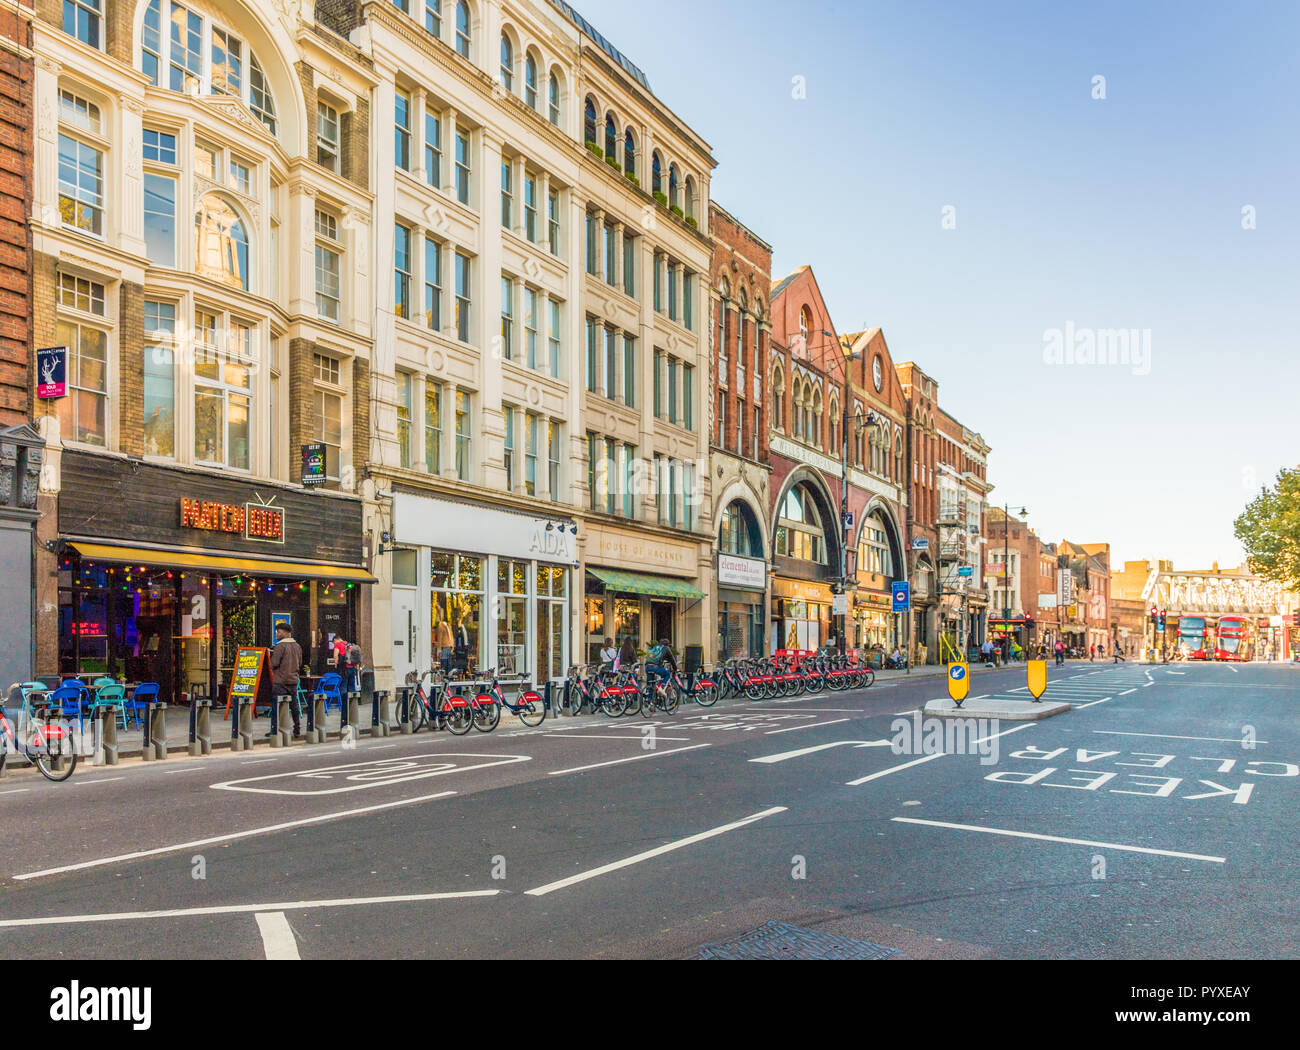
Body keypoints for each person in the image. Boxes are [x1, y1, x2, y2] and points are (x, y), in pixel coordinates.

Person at [267, 621, 303, 738]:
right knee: (294, 706)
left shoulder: (280, 646)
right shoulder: (297, 646)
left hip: (280, 681)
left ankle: (275, 729)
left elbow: (274, 664)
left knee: (277, 706)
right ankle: (297, 729)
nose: (276, 634)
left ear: (286, 633)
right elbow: (300, 662)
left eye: (278, 632)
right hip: (293, 680)